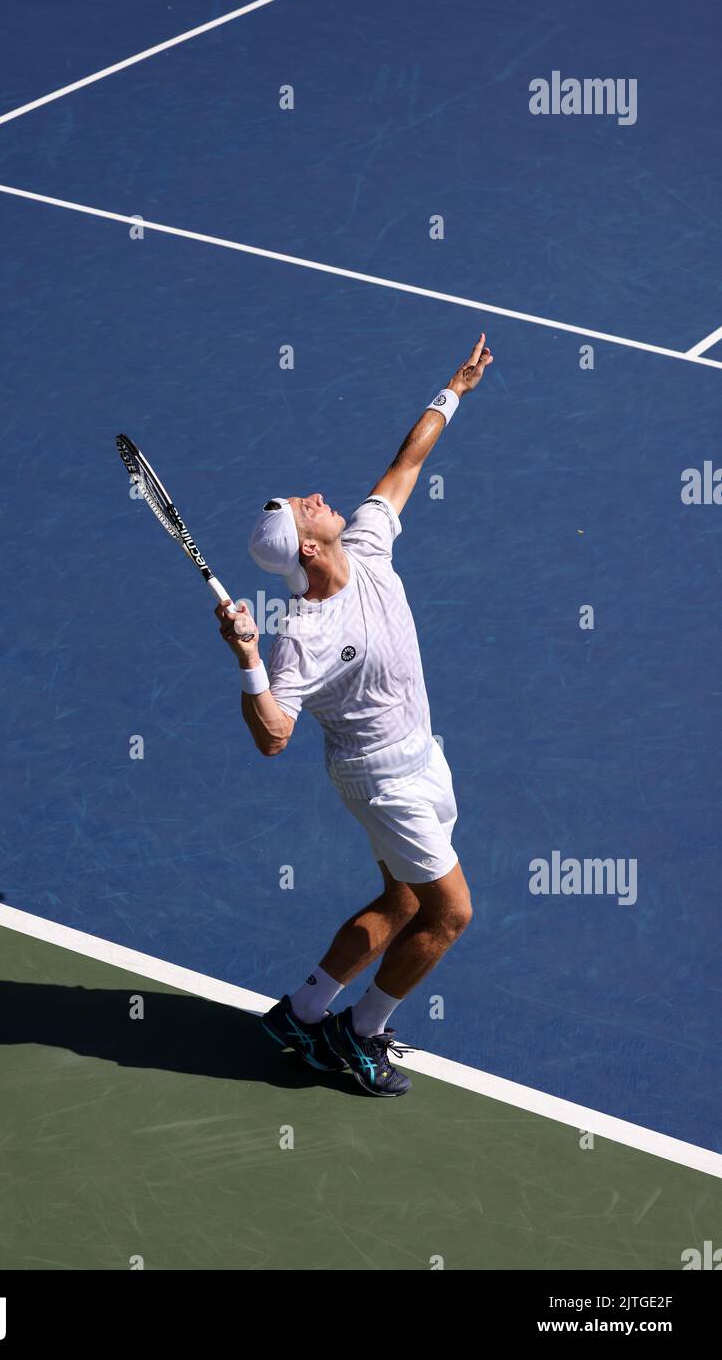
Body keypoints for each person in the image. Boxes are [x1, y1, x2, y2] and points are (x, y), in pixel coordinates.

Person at [216, 335, 493, 1096]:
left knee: (403, 900)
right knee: (449, 915)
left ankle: (302, 1011)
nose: (319, 495)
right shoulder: (299, 634)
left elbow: (406, 465)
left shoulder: (368, 545)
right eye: (307, 506)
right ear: (307, 545)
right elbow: (274, 737)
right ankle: (357, 1033)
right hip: (377, 778)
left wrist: (453, 389)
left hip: (420, 755)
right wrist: (245, 657)